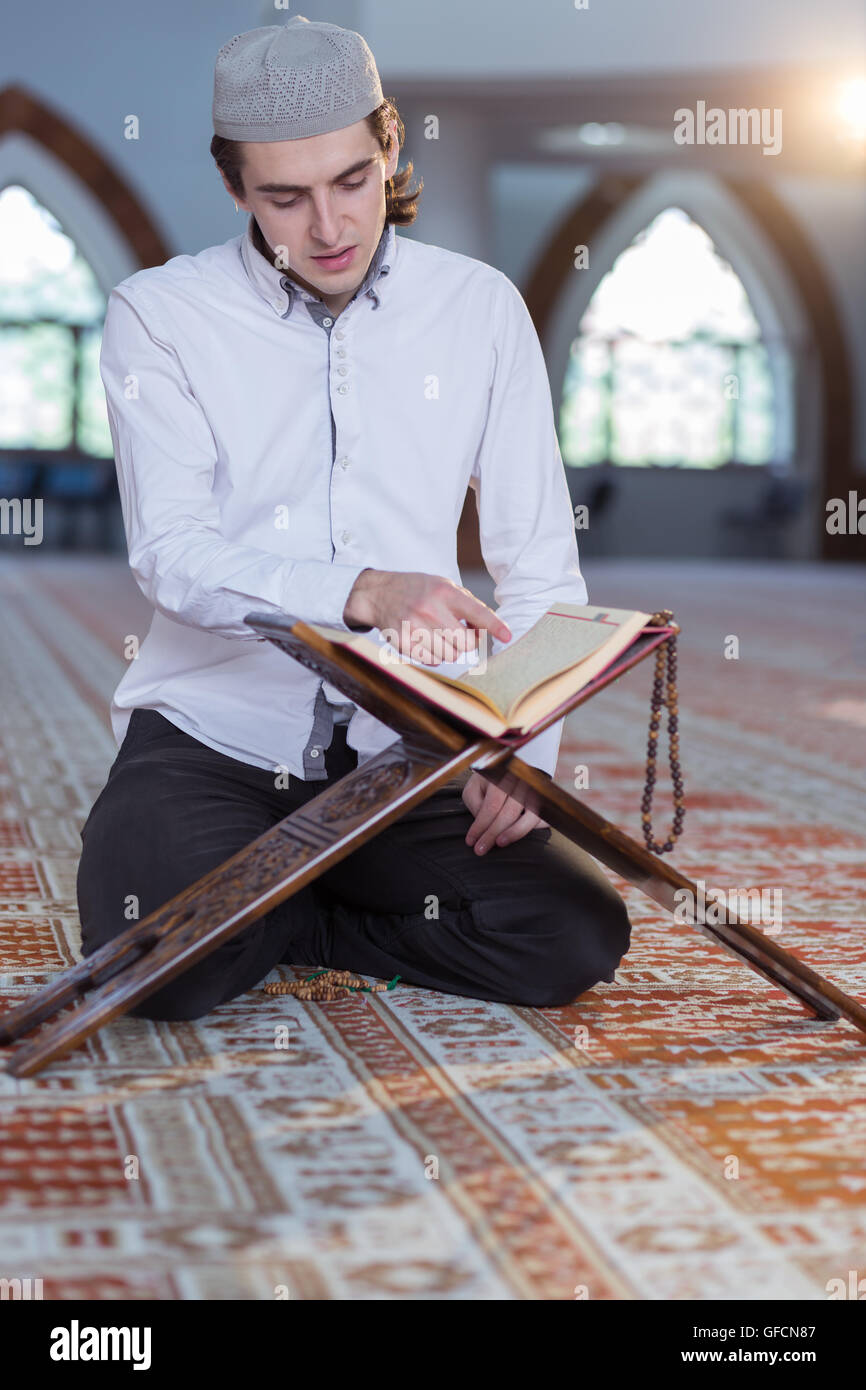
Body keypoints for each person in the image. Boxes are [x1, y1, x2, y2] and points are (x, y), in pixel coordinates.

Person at [76, 16, 631, 1019]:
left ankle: (287, 908)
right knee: (150, 962)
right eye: (284, 197)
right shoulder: (159, 315)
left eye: (350, 182)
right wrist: (364, 592)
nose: (328, 227)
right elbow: (175, 558)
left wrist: (523, 751)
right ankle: (268, 906)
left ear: (388, 148)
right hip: (212, 733)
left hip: (406, 749)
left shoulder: (479, 310)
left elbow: (538, 564)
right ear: (235, 187)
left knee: (571, 935)